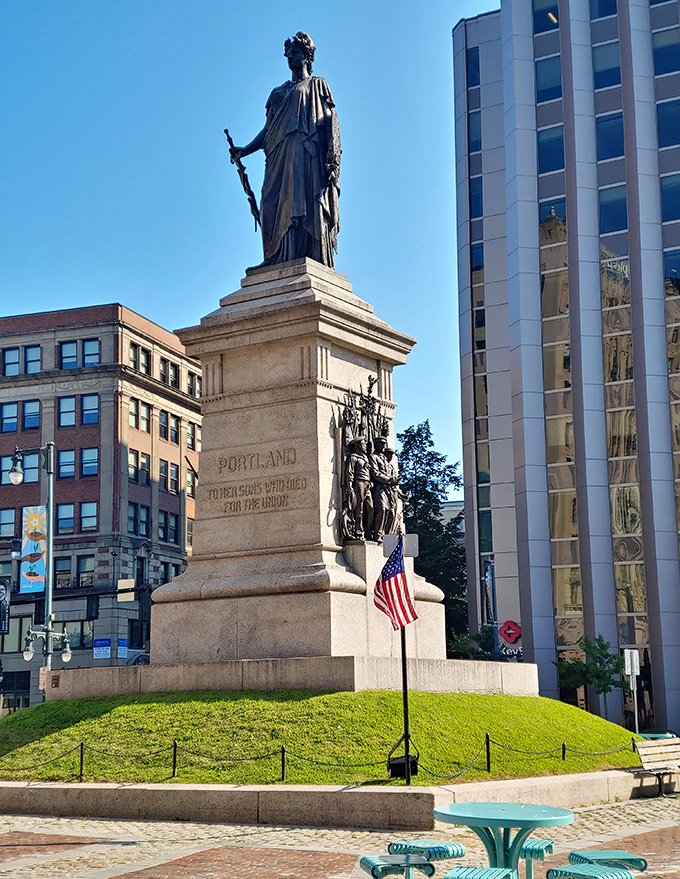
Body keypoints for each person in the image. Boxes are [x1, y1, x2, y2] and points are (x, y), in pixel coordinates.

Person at [229, 31, 341, 268]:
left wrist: (332, 160)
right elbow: (268, 131)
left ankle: (305, 255)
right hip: (278, 157)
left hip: (305, 154)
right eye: (288, 53)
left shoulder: (317, 85)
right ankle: (274, 257)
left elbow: (330, 121)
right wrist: (245, 150)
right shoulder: (277, 93)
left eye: (296, 53)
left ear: (307, 56)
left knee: (302, 202)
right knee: (270, 202)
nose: (291, 57)